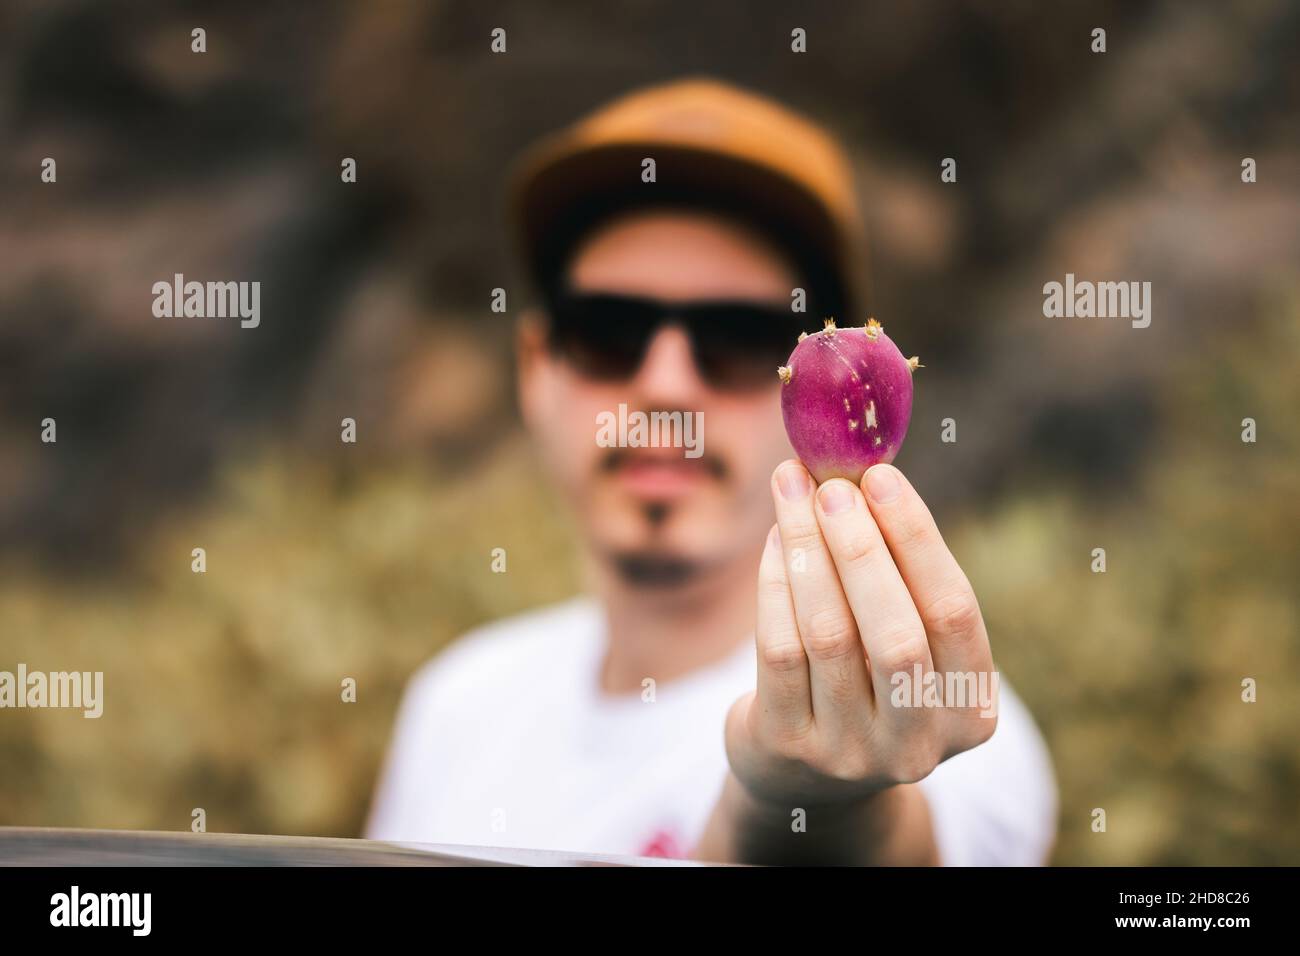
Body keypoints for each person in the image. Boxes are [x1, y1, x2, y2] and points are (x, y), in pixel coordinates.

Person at [365, 76, 1057, 865]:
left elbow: (884, 838)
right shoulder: (455, 702)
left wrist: (809, 807)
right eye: (609, 333)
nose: (666, 387)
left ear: (836, 391)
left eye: (737, 337)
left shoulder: (939, 729)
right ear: (536, 369)